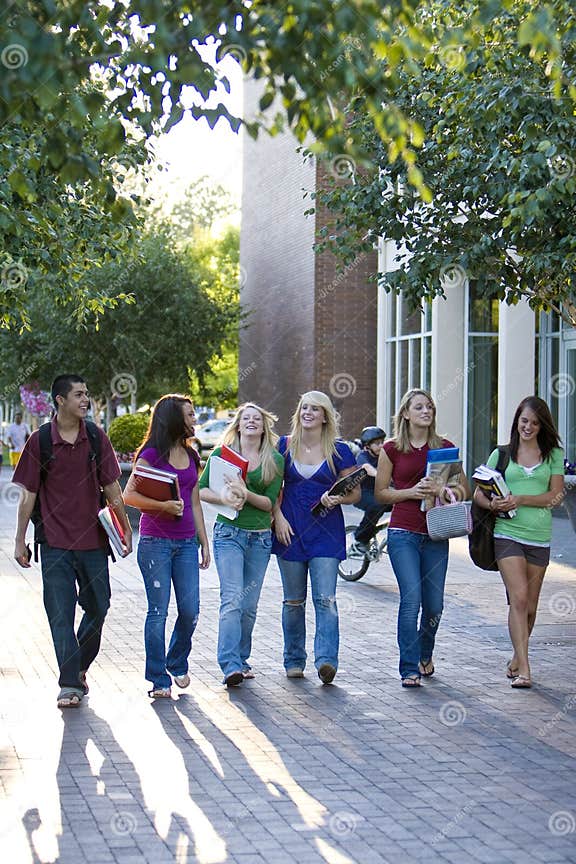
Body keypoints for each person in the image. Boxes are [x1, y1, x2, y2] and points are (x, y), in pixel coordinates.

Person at [13, 374, 133, 709]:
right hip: (54, 544)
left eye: (87, 394)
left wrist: (125, 530)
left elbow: (112, 489)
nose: (86, 400)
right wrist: (19, 540)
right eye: (79, 395)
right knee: (60, 613)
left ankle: (77, 665)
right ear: (59, 400)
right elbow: (28, 495)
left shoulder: (96, 437)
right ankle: (69, 684)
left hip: (94, 542)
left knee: (100, 606)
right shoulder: (40, 442)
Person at [375, 388, 470, 687]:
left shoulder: (445, 447)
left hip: (435, 532)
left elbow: (464, 489)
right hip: (402, 532)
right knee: (411, 599)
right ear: (406, 413)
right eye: (419, 407)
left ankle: (424, 654)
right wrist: (411, 492)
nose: (426, 411)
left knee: (434, 605)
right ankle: (408, 669)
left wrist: (445, 490)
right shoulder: (391, 449)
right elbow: (381, 493)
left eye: (429, 407)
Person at [473, 396, 564, 689]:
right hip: (507, 533)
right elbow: (477, 494)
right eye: (524, 421)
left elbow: (555, 497)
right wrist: (494, 505)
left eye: (535, 423)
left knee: (532, 607)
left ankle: (516, 656)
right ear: (517, 422)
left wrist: (521, 498)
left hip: (539, 537)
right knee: (519, 600)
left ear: (542, 426)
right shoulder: (501, 454)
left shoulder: (553, 455)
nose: (528, 427)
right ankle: (525, 669)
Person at [123, 394, 210, 699]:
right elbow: (128, 496)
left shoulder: (193, 456)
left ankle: (176, 659)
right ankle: (159, 677)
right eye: (189, 414)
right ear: (174, 418)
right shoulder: (150, 455)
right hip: (155, 543)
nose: (194, 419)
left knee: (191, 611)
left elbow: (196, 502)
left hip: (186, 543)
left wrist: (204, 542)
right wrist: (163, 506)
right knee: (158, 611)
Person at [273, 391, 360, 684]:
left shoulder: (340, 450)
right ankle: (294, 660)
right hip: (291, 530)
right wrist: (278, 518)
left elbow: (355, 492)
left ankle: (326, 661)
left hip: (326, 533)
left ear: (325, 416)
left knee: (326, 599)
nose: (308, 412)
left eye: (315, 409)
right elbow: (271, 487)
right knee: (293, 601)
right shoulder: (283, 446)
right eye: (304, 408)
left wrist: (338, 498)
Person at [198, 403, 284, 687]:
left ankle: (242, 659)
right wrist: (225, 497)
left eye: (256, 418)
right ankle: (230, 664)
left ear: (263, 426)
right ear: (237, 424)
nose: (251, 422)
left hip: (259, 537)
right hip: (229, 534)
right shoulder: (223, 455)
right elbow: (202, 490)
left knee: (249, 605)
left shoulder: (274, 459)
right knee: (232, 599)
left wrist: (245, 493)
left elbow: (269, 503)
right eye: (246, 418)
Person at [350, 426, 388, 555]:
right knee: (376, 505)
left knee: (400, 502)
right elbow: (366, 467)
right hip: (361, 493)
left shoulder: (384, 456)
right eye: (377, 444)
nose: (381, 446)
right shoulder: (362, 456)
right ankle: (361, 540)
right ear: (367, 446)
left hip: (379, 492)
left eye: (382, 442)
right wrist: (381, 476)